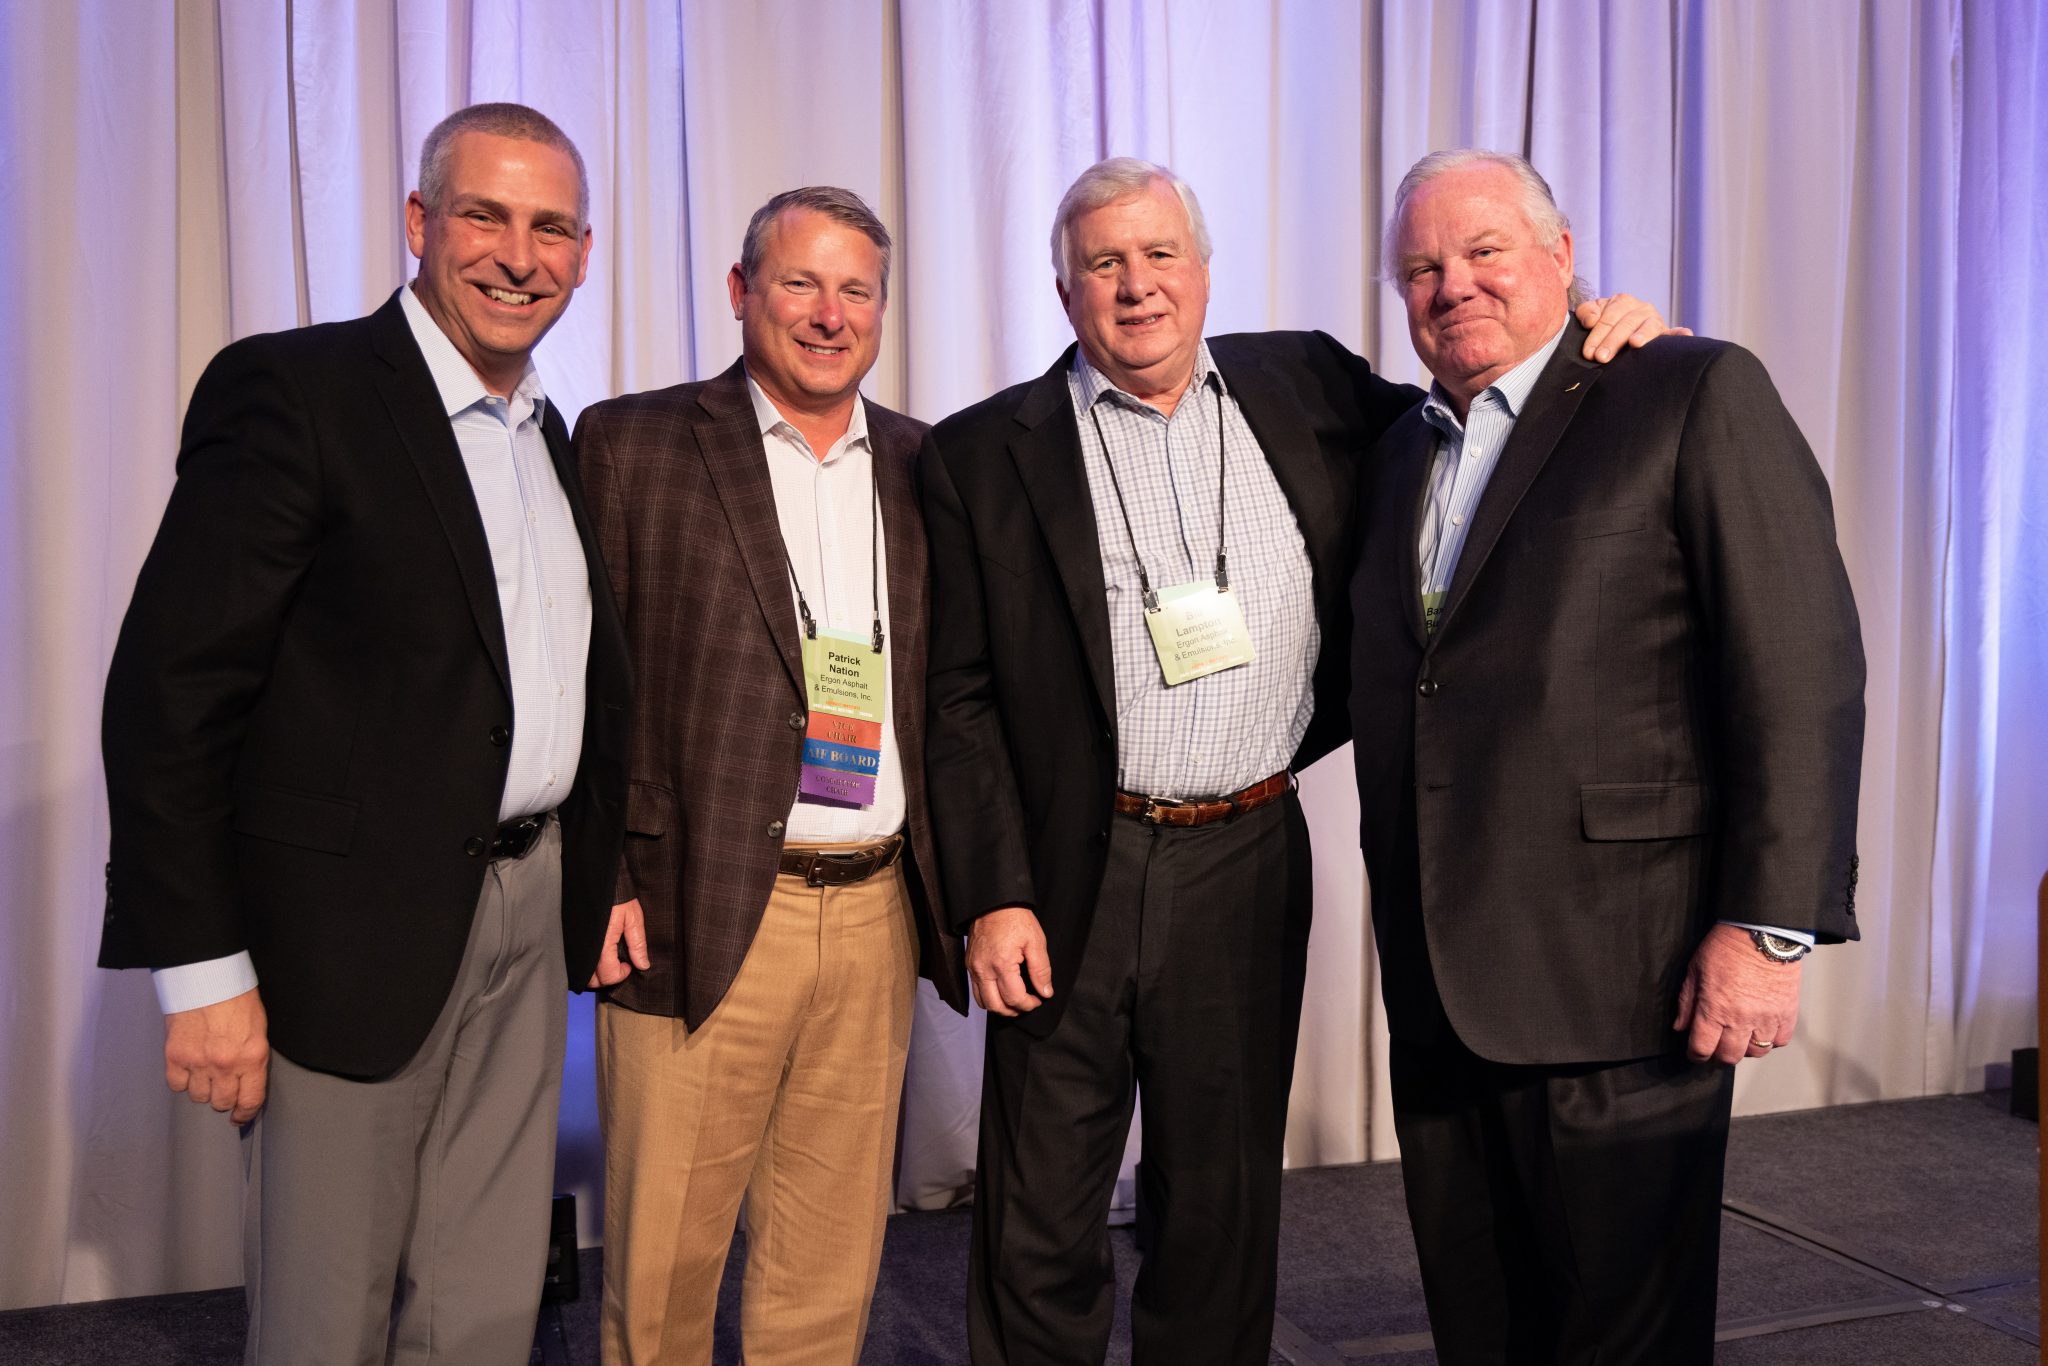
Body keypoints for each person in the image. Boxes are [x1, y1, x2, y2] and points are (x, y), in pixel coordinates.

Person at [919, 156, 1669, 1366]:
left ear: (1203, 272)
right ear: (1063, 293)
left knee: (1218, 1205)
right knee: (1038, 1205)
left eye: (1159, 254)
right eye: (1103, 263)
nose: (1136, 285)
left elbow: (1489, 416)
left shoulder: (1307, 384)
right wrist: (992, 893)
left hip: (1248, 853)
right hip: (1069, 870)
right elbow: (954, 699)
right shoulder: (977, 454)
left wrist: (1604, 340)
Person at [99, 103, 637, 1363]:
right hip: (343, 939)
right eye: (485, 216)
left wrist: (594, 873)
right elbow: (171, 692)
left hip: (524, 907)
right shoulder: (296, 392)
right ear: (417, 221)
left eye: (550, 227)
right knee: (325, 1315)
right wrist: (203, 972)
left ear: (584, 251)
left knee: (483, 1305)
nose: (519, 256)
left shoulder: (548, 432)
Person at [1350, 148, 1864, 1365]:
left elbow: (1797, 668)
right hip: (1439, 991)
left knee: (1621, 1340)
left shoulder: (1685, 388)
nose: (1452, 285)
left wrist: (1768, 930)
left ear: (1563, 257)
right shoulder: (1398, 451)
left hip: (1622, 984)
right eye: (1420, 267)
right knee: (1482, 1330)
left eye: (1483, 251)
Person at [576, 186, 969, 1366]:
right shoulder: (634, 444)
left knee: (826, 1273)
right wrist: (599, 877)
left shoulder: (924, 463)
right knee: (661, 1279)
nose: (827, 313)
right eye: (800, 283)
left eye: (856, 290)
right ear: (742, 291)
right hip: (691, 907)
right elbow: (584, 680)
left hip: (874, 912)